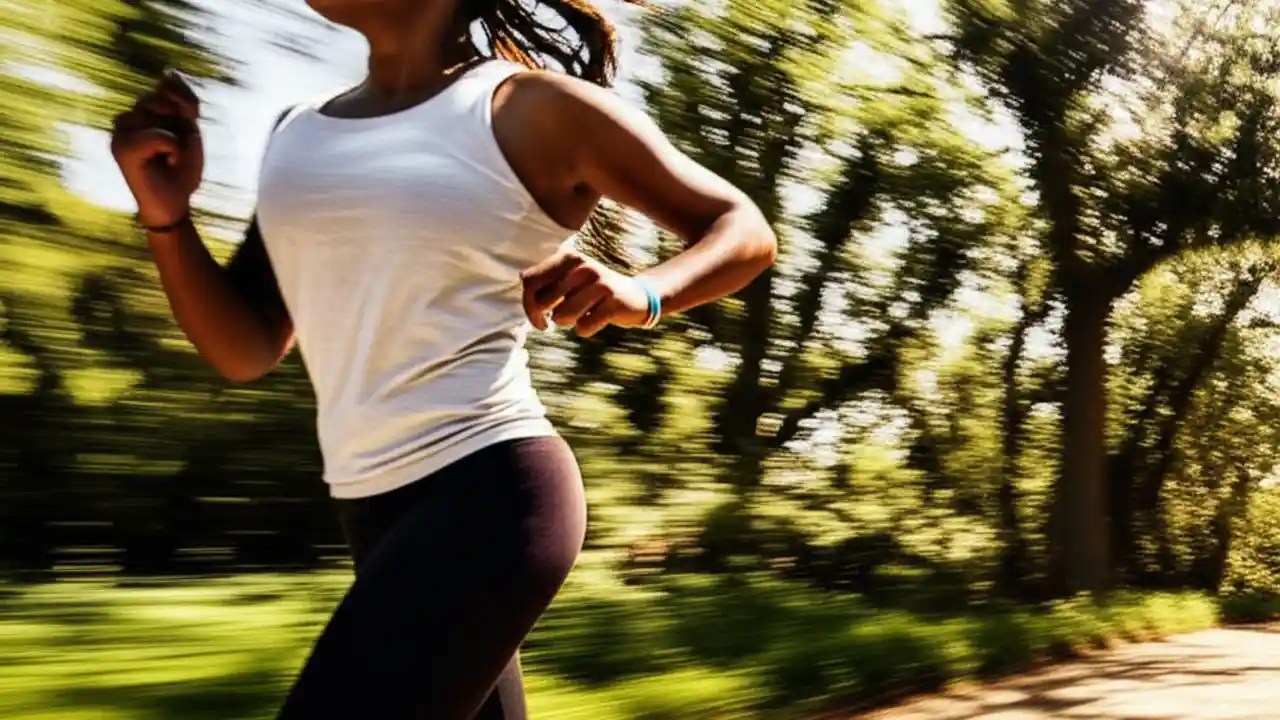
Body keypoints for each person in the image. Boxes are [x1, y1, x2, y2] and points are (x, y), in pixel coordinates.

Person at [109, 0, 776, 717]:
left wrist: (641, 294)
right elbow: (246, 348)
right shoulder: (296, 132)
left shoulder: (527, 109)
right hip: (369, 511)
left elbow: (742, 228)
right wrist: (167, 216)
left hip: (488, 492)